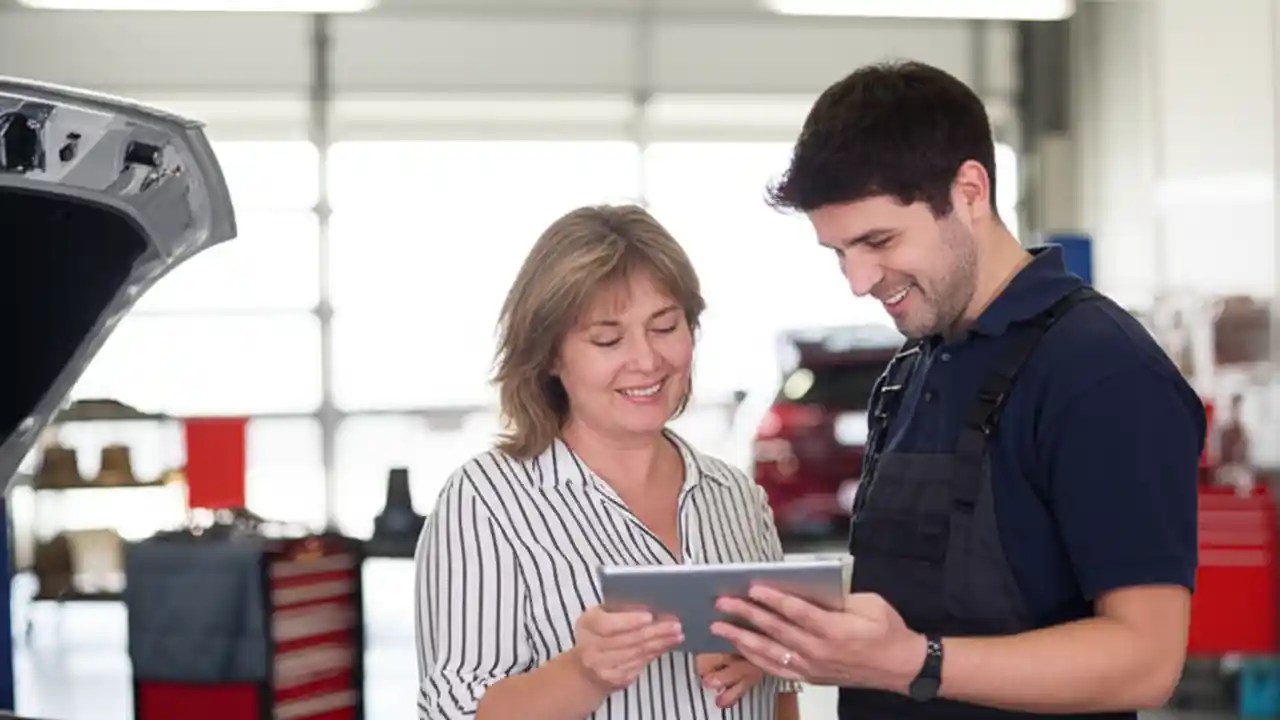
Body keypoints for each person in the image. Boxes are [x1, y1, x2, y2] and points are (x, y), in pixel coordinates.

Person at [709, 60, 1205, 719]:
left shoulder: (1100, 371)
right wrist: (802, 636)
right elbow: (925, 593)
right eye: (838, 252)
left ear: (970, 190)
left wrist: (916, 662)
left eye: (878, 240)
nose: (857, 280)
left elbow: (1145, 661)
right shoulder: (914, 367)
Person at [413, 204, 801, 720]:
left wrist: (769, 662)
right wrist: (584, 673)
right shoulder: (486, 501)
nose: (647, 359)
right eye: (607, 338)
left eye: (665, 327)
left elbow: (780, 701)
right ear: (550, 355)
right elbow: (453, 713)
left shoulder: (735, 496)